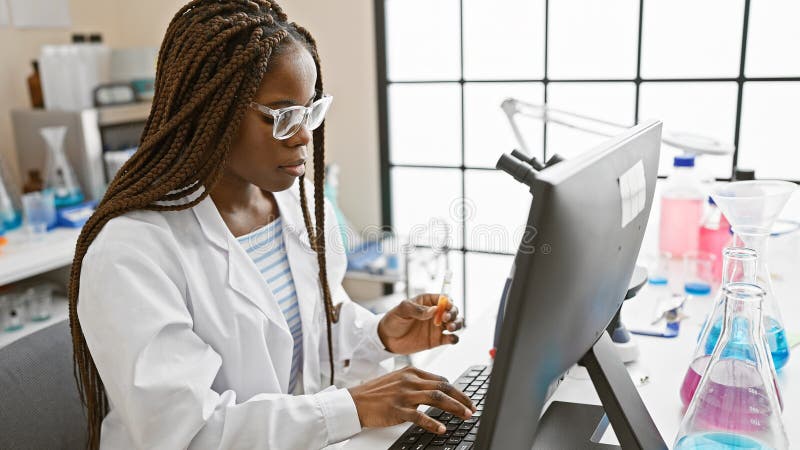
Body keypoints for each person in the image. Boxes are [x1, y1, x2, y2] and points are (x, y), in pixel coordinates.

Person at [68, 1, 474, 449]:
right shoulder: (131, 251)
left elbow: (310, 336)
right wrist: (351, 406)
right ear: (213, 112)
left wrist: (379, 335)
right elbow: (188, 433)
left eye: (310, 112)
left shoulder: (294, 204)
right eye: (283, 116)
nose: (305, 136)